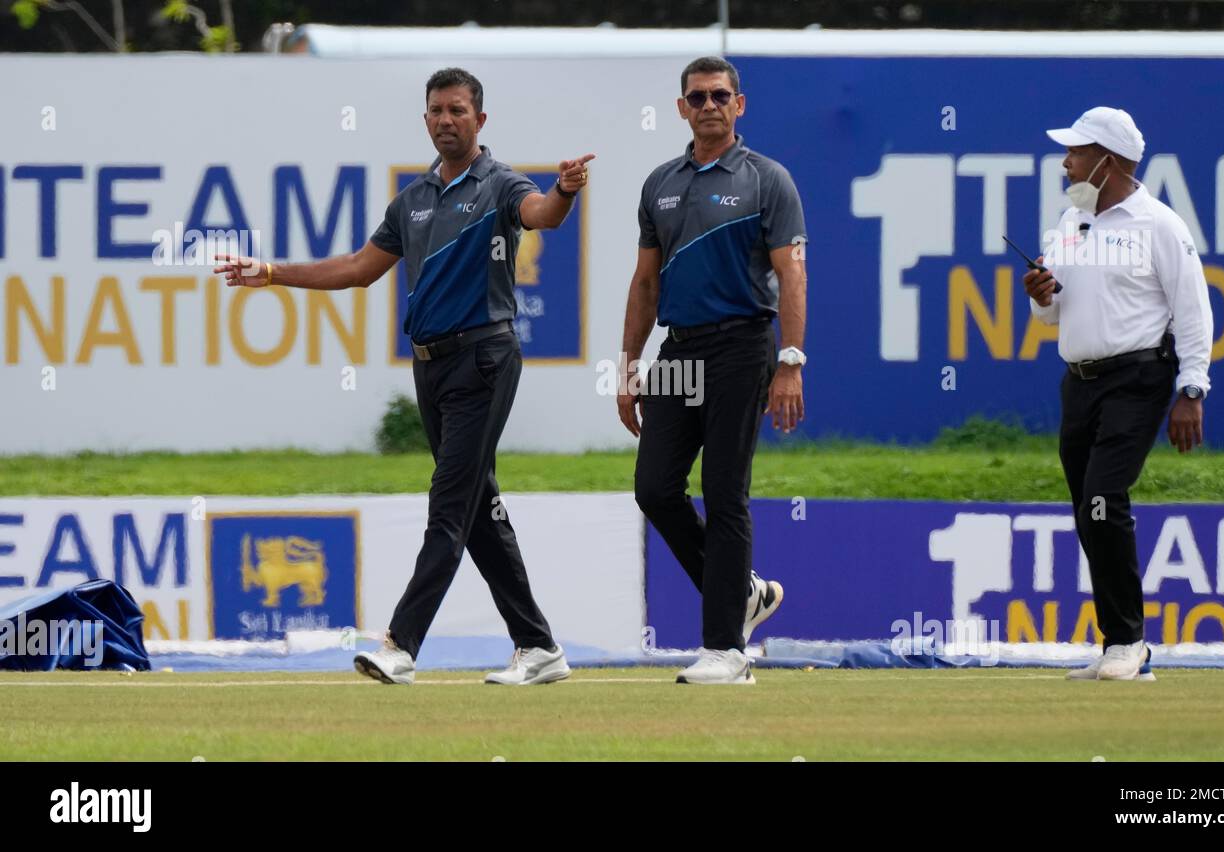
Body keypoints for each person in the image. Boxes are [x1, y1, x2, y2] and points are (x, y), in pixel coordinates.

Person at [215, 67, 594, 686]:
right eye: (437, 111)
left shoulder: (499, 185)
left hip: (485, 358)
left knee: (448, 506)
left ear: (480, 119)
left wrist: (567, 191)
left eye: (458, 110)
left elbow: (542, 214)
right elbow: (362, 268)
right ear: (426, 120)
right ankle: (539, 645)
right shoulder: (413, 200)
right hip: (431, 365)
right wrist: (272, 273)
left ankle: (400, 645)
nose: (447, 120)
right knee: (475, 506)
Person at [618, 56, 808, 685]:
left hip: (742, 345)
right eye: (696, 97)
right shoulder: (660, 184)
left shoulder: (767, 179)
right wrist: (628, 364)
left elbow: (791, 274)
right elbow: (646, 282)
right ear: (681, 108)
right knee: (655, 488)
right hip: (678, 350)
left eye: (719, 95)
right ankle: (743, 594)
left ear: (739, 103)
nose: (708, 106)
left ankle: (727, 650)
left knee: (725, 491)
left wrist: (790, 361)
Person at [1025, 106, 1213, 681]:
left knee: (1105, 499)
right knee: (1088, 512)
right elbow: (1055, 313)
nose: (1065, 162)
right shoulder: (1072, 222)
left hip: (1138, 379)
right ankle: (1120, 646)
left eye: (1077, 153)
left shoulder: (1159, 225)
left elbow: (1192, 310)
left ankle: (1129, 643)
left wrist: (1192, 388)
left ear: (1108, 163)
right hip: (1078, 384)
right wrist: (1040, 293)